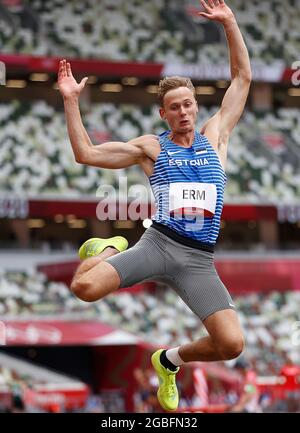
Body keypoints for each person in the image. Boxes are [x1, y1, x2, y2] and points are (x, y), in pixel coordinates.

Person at [58, 0, 251, 412]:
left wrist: (230, 23)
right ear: (164, 114)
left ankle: (168, 361)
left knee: (231, 344)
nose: (183, 111)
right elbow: (86, 154)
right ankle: (107, 248)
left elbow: (242, 77)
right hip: (158, 245)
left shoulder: (216, 137)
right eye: (174, 107)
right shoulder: (151, 148)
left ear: (195, 106)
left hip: (198, 260)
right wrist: (71, 100)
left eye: (188, 104)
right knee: (83, 287)